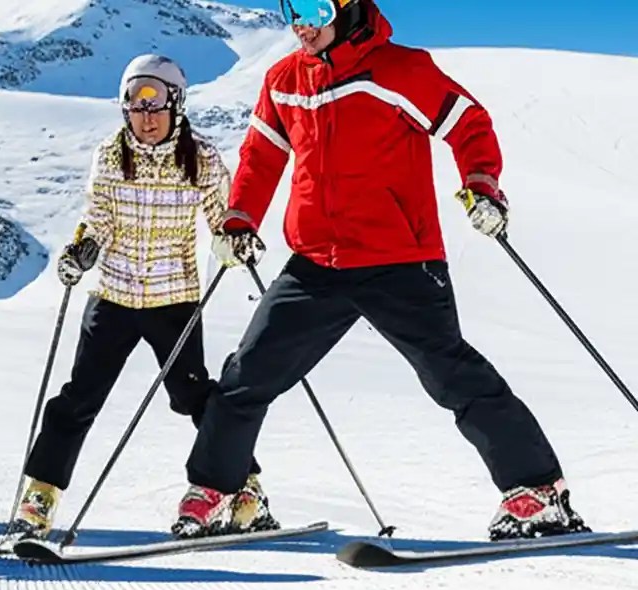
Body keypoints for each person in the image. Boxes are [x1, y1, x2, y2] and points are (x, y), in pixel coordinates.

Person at [181, 0, 590, 540]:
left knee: (453, 377)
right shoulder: (283, 79)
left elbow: (469, 124)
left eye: (313, 7)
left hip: (399, 257)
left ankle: (537, 493)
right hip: (315, 265)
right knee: (247, 375)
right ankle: (223, 491)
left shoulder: (401, 69)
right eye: (289, 8)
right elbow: (261, 155)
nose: (300, 22)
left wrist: (483, 183)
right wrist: (238, 219)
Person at [6, 54, 277, 540]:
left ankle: (245, 488)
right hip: (113, 296)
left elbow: (222, 217)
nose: (146, 118)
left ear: (177, 105)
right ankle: (39, 496)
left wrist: (233, 240)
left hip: (173, 300)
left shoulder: (203, 158)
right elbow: (99, 216)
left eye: (156, 106)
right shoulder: (111, 155)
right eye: (135, 106)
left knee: (193, 396)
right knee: (79, 398)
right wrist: (83, 247)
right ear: (123, 108)